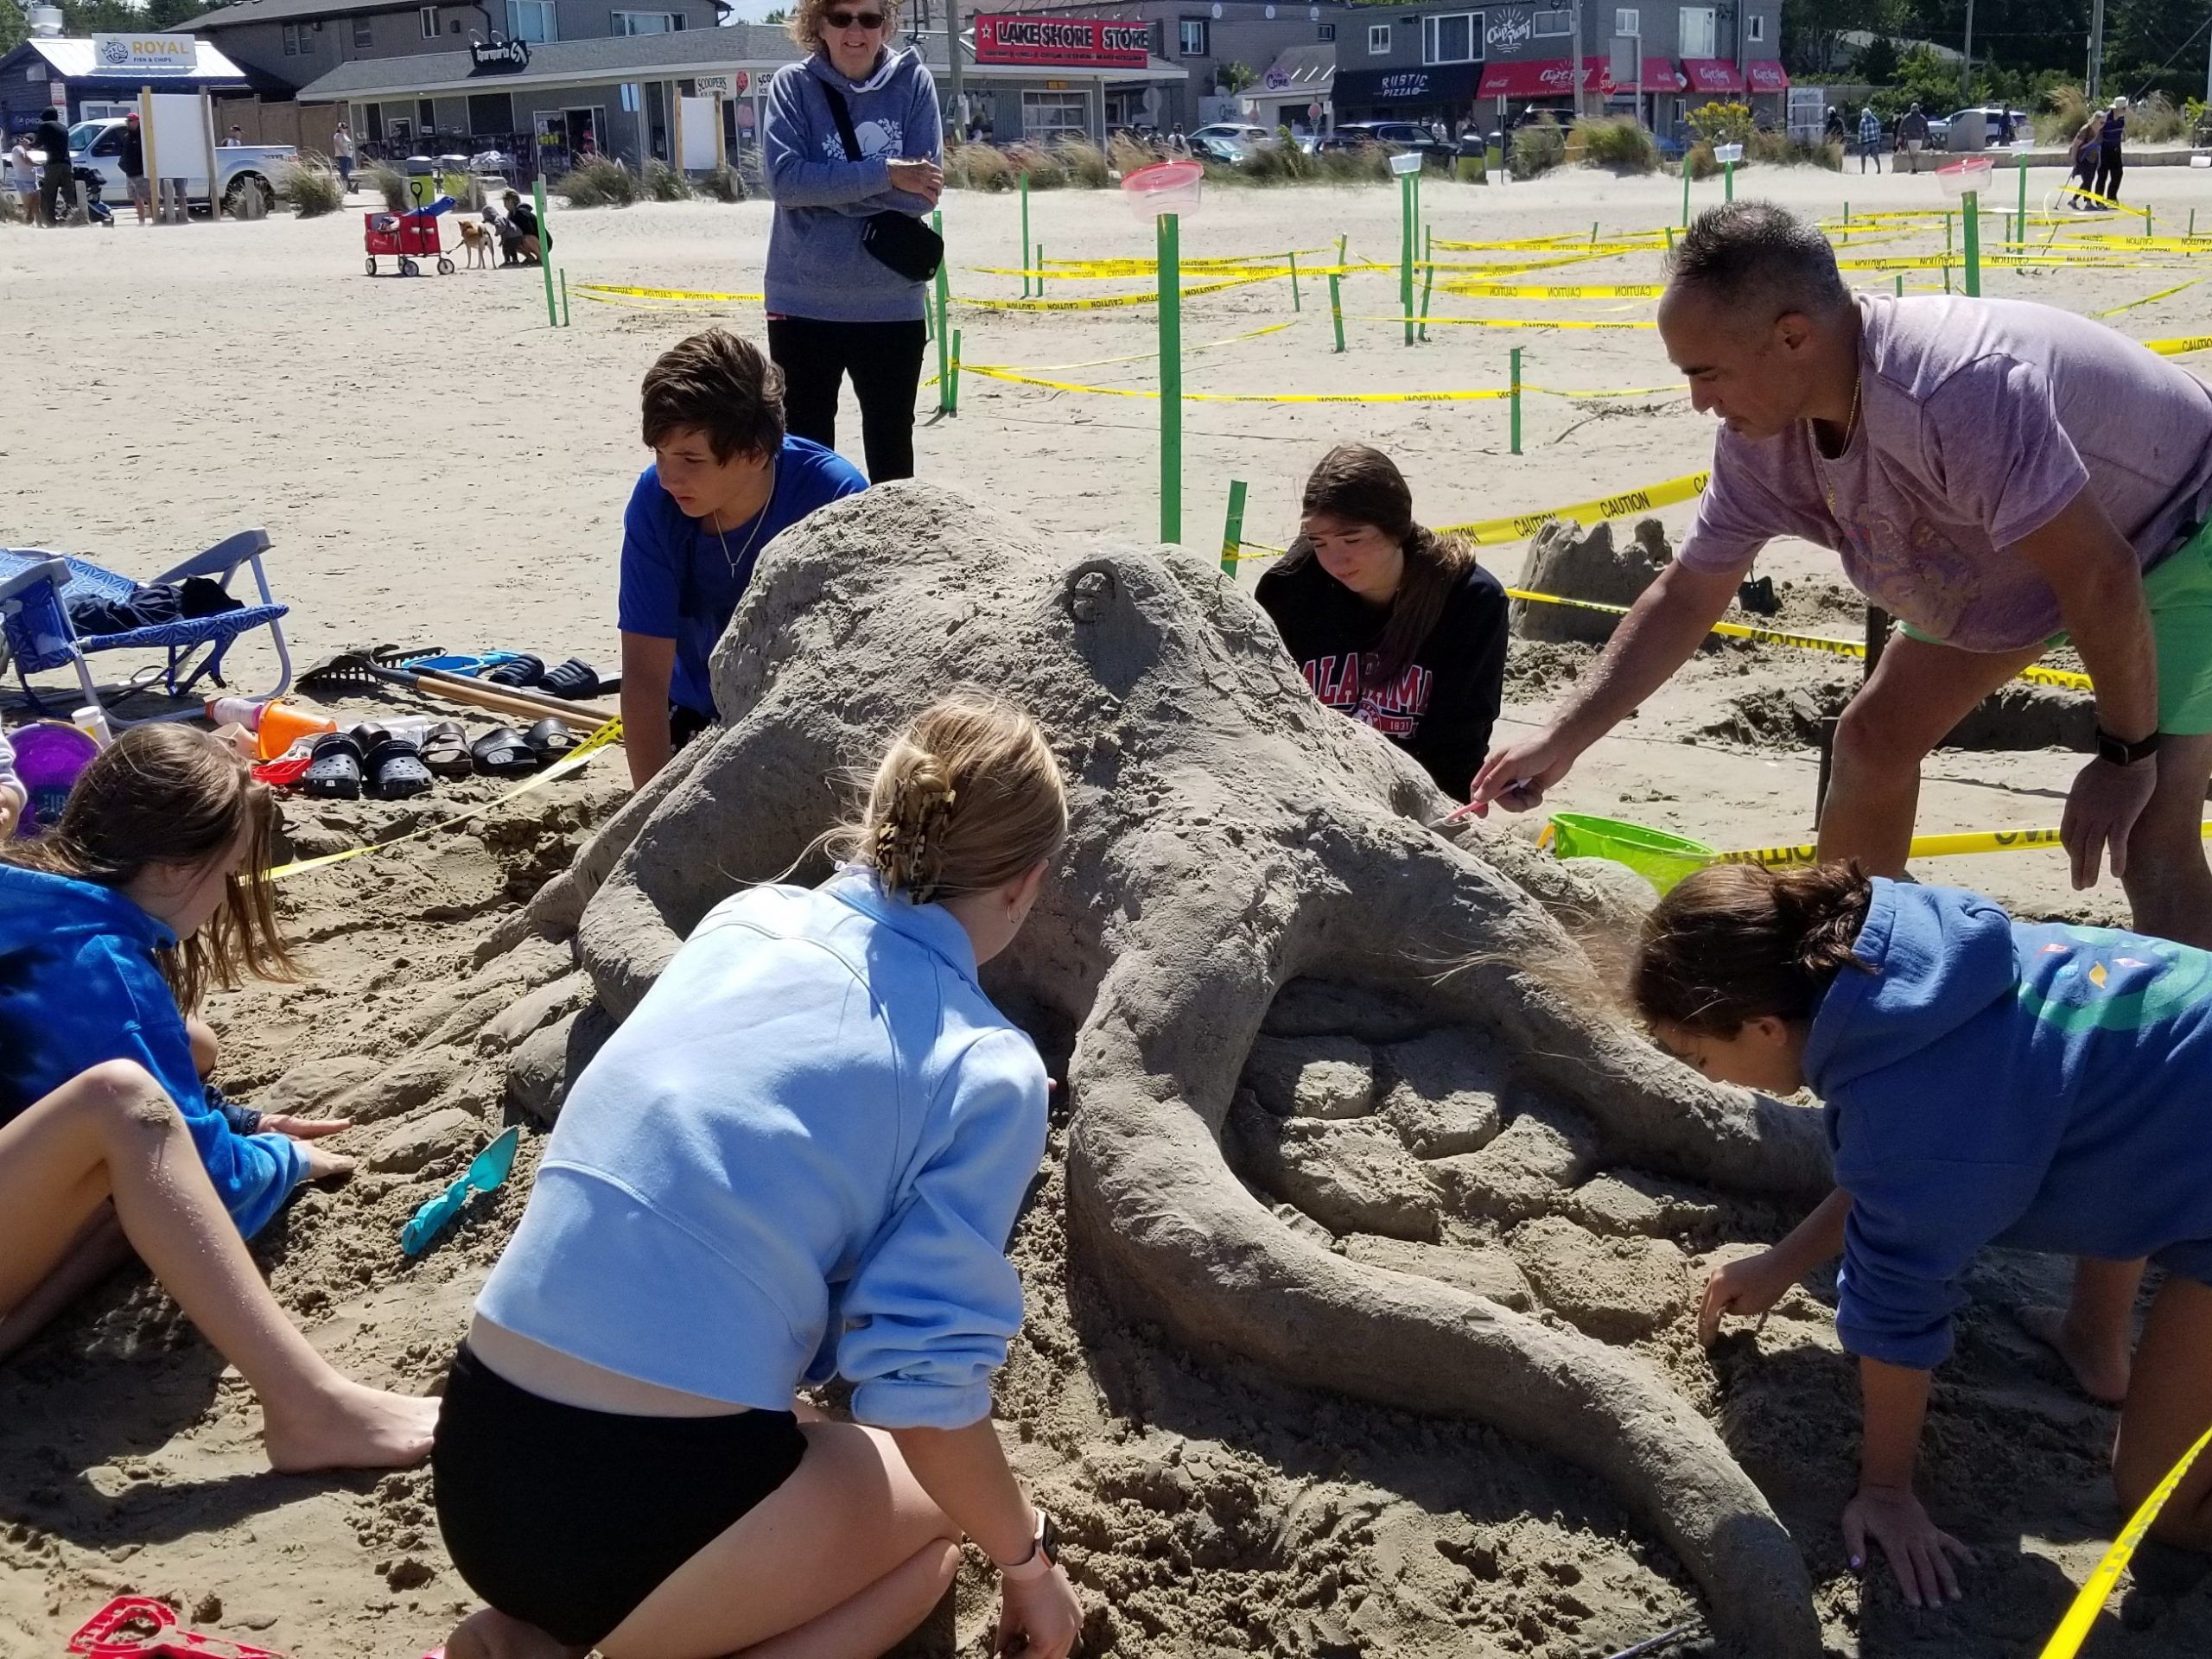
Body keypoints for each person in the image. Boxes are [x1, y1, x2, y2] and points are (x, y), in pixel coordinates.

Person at [1472, 201, 2212, 1402]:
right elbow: (1690, 589)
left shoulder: (1958, 391)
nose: (1696, 399)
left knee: (2160, 848)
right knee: (1870, 742)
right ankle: (1872, 1016)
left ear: (1797, 335)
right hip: (1996, 555)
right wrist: (1564, 737)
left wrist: (2123, 749)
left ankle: (2113, 1294)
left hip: (2171, 528)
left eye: (1706, 370)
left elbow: (2103, 572)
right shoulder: (1765, 433)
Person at [431, 693, 1084, 1659]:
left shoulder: (745, 921)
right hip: (654, 1516)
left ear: (873, 823)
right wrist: (1029, 1565)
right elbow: (922, 1387)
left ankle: (542, 1632)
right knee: (945, 1532)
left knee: (805, 1426)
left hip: (477, 1465)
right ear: (1025, 886)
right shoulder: (985, 1063)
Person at [1634, 861, 2212, 1606]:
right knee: (2113, 1113)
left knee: (2167, 1506)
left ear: (1765, 1027)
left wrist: (1886, 1489)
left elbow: (1897, 1303)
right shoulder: (1903, 967)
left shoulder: (1909, 1112)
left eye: (1703, 1057)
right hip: (2178, 1078)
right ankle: (2094, 1341)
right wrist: (1785, 1262)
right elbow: (1920, 1154)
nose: (1711, 1080)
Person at [0, 728, 436, 1469]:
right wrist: (283, 1156)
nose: (225, 896)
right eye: (228, 872)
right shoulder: (103, 961)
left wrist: (239, 1117)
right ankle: (309, 1408)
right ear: (174, 866)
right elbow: (217, 1186)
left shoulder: (29, 896)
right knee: (121, 1099)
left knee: (185, 1046)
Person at [618, 328, 867, 788]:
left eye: (691, 459)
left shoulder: (834, 497)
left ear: (755, 453)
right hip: (692, 715)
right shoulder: (656, 501)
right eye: (660, 454)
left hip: (797, 719)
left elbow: (855, 666)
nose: (669, 477)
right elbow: (644, 677)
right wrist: (645, 816)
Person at [1255, 445, 1508, 801]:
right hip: (1311, 796)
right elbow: (1266, 719)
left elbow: (1459, 747)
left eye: (1352, 539)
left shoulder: (1470, 602)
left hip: (1414, 805)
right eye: (1319, 542)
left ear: (1397, 528)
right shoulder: (1289, 591)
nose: (1336, 559)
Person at [762, 0, 944, 483]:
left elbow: (921, 197)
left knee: (891, 454)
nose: (855, 32)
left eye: (869, 18)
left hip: (890, 305)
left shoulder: (913, 83)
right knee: (803, 456)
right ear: (819, 23)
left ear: (886, 24)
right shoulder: (792, 87)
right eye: (841, 18)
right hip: (802, 302)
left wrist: (825, 189)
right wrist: (885, 174)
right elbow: (785, 183)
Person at [33, 107, 72, 227]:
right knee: (69, 194)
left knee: (49, 194)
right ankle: (74, 217)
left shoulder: (45, 126)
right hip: (66, 164)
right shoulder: (63, 127)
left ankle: (50, 221)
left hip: (53, 164)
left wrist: (28, 145)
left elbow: (38, 143)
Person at [2066, 110, 2107, 208]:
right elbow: (2076, 146)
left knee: (2089, 181)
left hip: (2093, 158)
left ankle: (2081, 202)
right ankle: (2079, 201)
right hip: (2083, 157)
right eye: (2101, 122)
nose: (2102, 125)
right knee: (2087, 181)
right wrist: (2074, 161)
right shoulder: (2085, 130)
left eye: (2104, 123)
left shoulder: (2100, 131)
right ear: (2095, 120)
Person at [2094, 95, 2127, 204]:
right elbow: (2096, 131)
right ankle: (2099, 200)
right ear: (2117, 109)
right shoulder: (2105, 119)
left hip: (2116, 150)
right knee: (2102, 175)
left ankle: (2111, 197)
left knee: (2118, 174)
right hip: (2104, 150)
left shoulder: (2121, 119)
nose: (2126, 111)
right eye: (2124, 109)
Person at [118, 111, 149, 225]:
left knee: (148, 196)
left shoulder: (143, 136)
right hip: (129, 172)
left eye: (131, 121)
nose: (128, 123)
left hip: (141, 172)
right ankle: (141, 221)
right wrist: (121, 164)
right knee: (136, 198)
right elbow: (124, 152)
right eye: (127, 121)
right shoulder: (127, 136)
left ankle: (156, 218)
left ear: (137, 122)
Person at [495, 188, 538, 264]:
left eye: (506, 202)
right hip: (529, 240)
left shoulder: (522, 212)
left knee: (525, 238)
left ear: (511, 201)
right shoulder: (511, 215)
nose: (505, 205)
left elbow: (530, 230)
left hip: (538, 240)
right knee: (512, 242)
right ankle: (529, 258)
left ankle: (541, 258)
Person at [4, 136, 40, 224]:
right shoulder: (18, 149)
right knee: (28, 206)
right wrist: (42, 164)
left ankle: (39, 224)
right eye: (27, 142)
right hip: (24, 181)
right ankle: (25, 225)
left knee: (36, 205)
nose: (29, 144)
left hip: (32, 181)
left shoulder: (23, 150)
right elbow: (27, 161)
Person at [1897, 102, 1927, 172]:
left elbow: (1901, 127)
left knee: (1911, 155)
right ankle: (1915, 167)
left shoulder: (1907, 117)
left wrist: (1899, 136)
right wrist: (1928, 138)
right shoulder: (1922, 118)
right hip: (1919, 139)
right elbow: (1926, 129)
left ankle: (1914, 168)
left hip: (1910, 139)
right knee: (1915, 154)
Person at [1855, 104, 1882, 174]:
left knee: (1863, 156)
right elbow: (1878, 130)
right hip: (1874, 141)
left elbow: (1861, 132)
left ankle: (1863, 171)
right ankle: (1879, 169)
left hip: (1866, 142)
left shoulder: (1863, 121)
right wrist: (1878, 140)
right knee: (1875, 156)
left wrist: (1859, 141)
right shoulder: (1875, 119)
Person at [332, 121, 356, 193]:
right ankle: (344, 188)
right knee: (344, 172)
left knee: (347, 172)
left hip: (348, 156)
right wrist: (343, 152)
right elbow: (337, 144)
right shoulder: (338, 135)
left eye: (346, 128)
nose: (345, 129)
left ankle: (347, 187)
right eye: (344, 128)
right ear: (340, 128)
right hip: (342, 156)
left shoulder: (345, 135)